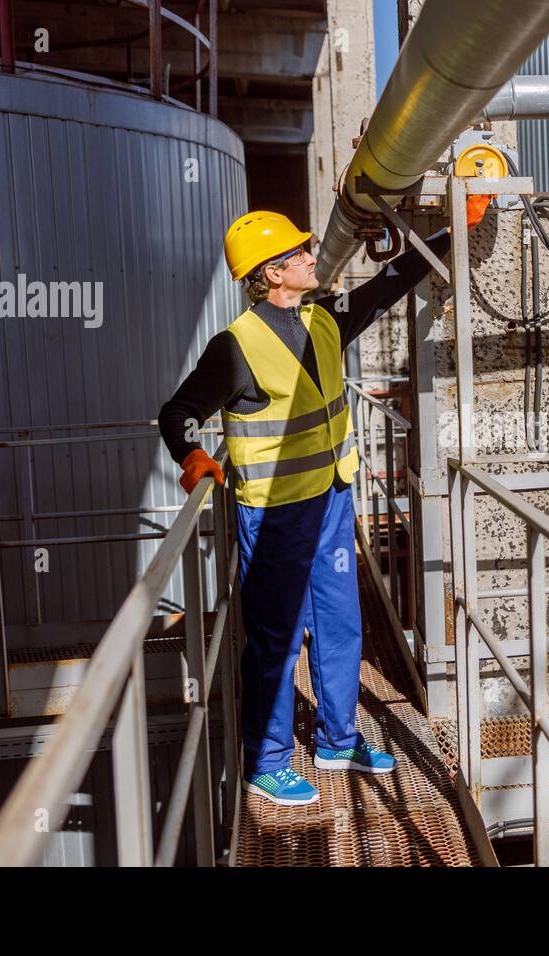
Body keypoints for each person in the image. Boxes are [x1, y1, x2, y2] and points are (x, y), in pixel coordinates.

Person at [158, 197, 488, 807]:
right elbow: (177, 412)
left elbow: (394, 280)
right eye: (298, 252)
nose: (313, 256)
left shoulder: (326, 318)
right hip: (276, 512)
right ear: (271, 273)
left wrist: (452, 230)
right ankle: (268, 758)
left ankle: (338, 740)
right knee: (277, 637)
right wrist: (192, 457)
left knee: (340, 623)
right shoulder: (234, 346)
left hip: (334, 499)